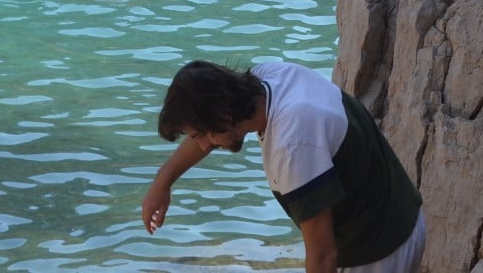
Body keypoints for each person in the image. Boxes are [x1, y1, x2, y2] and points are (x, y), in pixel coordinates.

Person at [144, 60, 426, 273]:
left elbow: (323, 255)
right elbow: (209, 133)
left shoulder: (292, 143)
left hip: (377, 252)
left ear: (224, 116)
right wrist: (162, 183)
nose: (203, 146)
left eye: (200, 135)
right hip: (400, 214)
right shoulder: (269, 77)